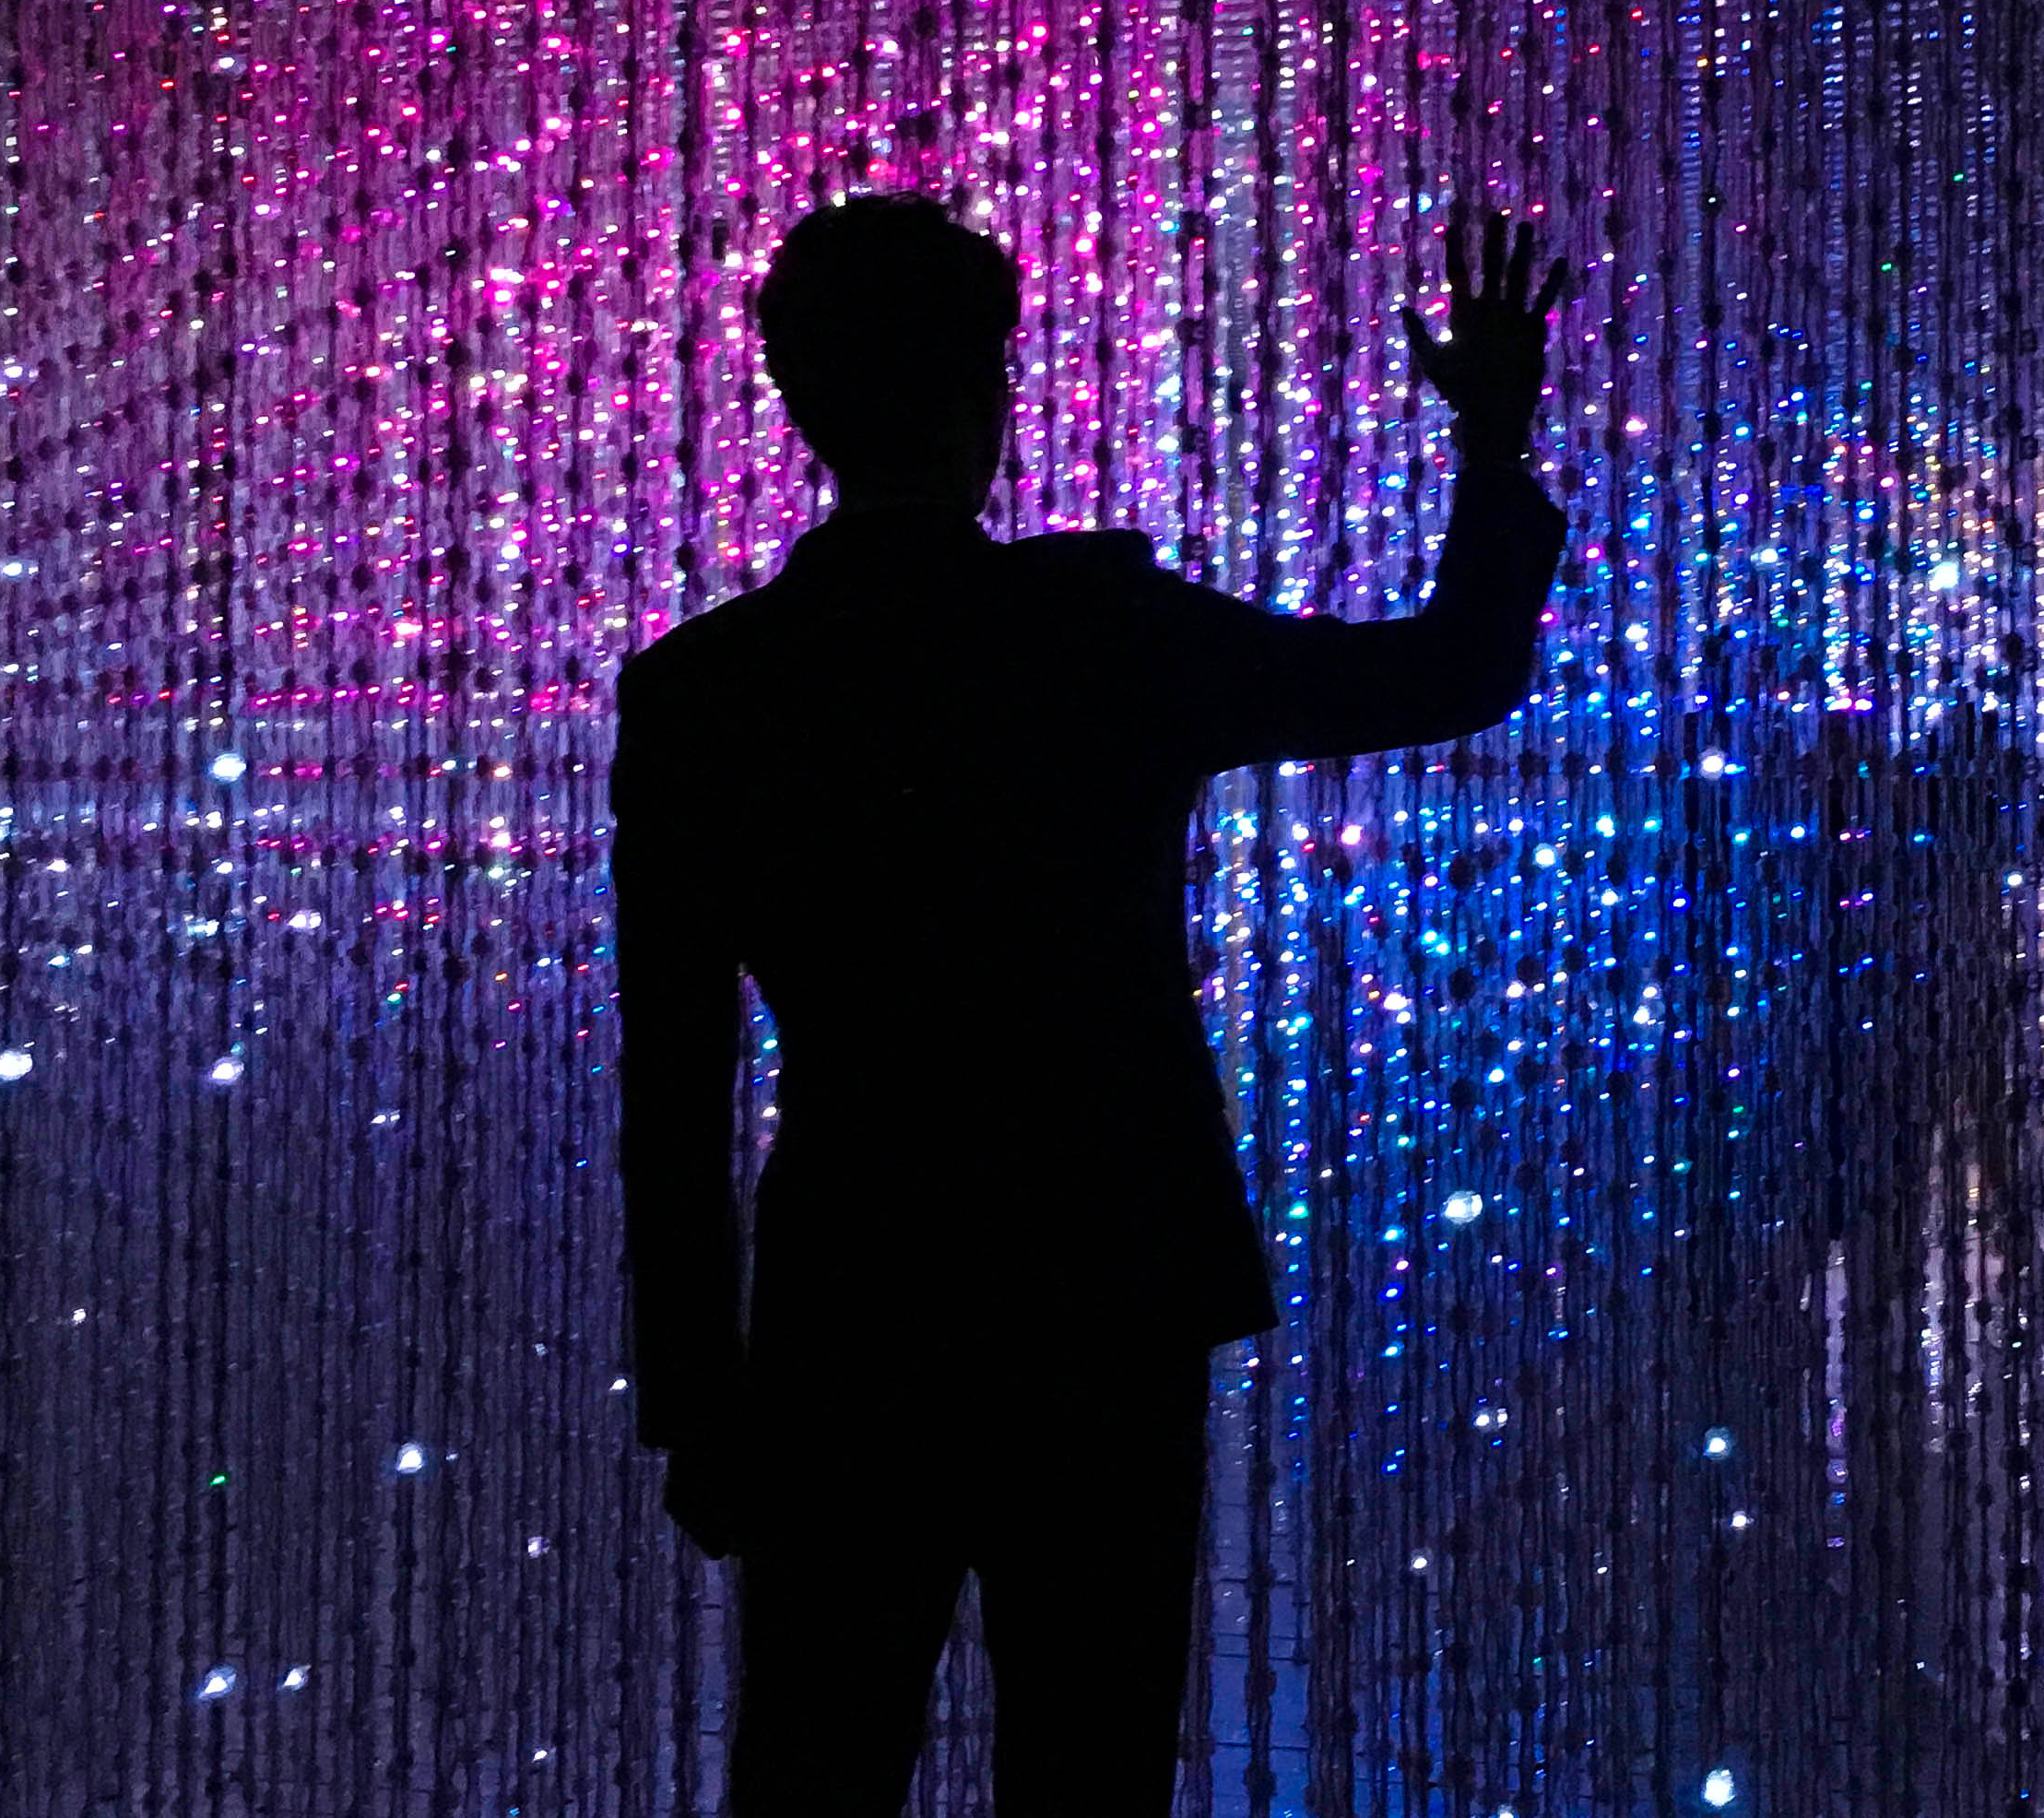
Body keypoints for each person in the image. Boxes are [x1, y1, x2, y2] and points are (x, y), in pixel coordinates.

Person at [607, 191, 1573, 1815]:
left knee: (816, 1768)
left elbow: (674, 1078)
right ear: (992, 394)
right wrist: (1489, 445)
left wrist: (702, 1406)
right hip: (1105, 1288)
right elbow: (1442, 675)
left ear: (799, 401)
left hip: (857, 1306)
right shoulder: (1096, 637)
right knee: (1091, 1769)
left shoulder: (712, 687)